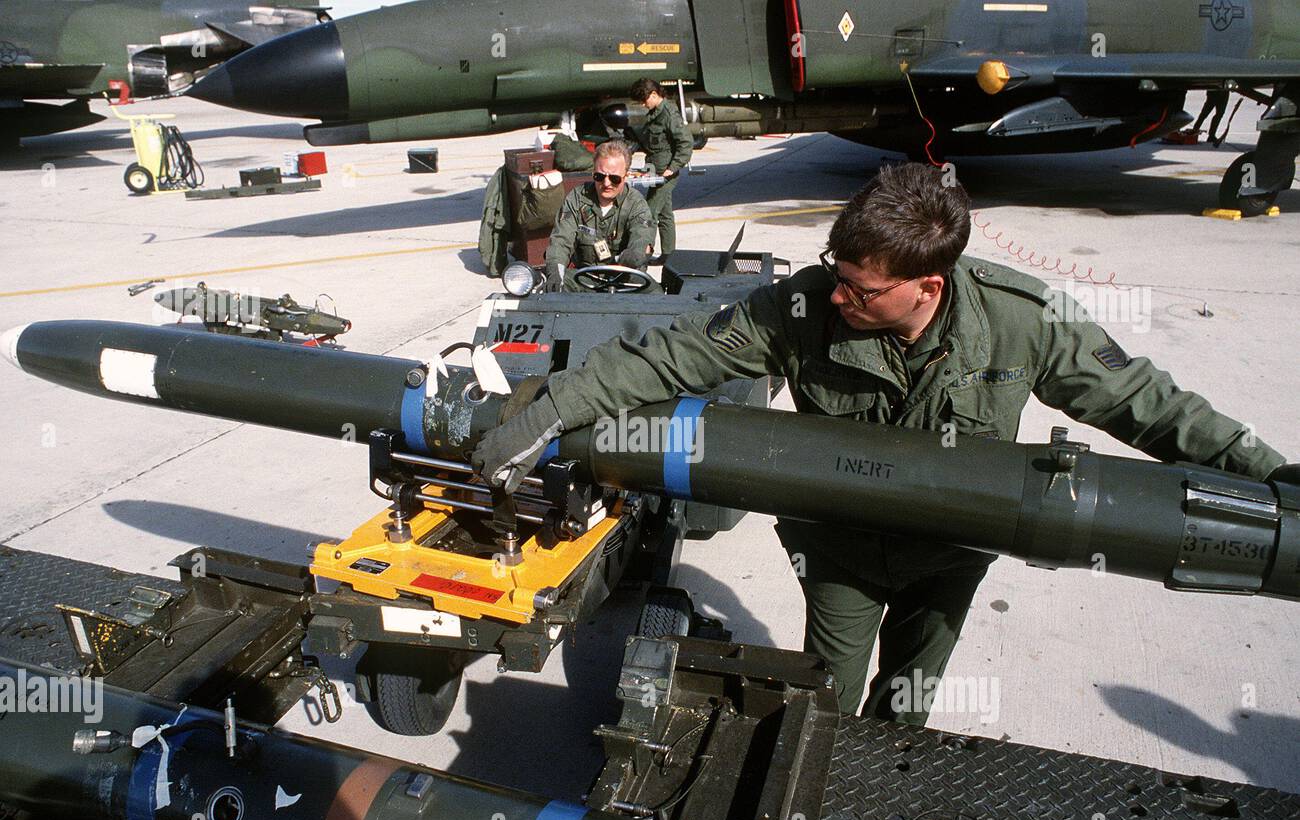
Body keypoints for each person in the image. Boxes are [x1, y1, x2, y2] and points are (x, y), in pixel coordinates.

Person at [475, 162, 1296, 724]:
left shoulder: (1020, 320)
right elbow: (674, 355)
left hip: (950, 555)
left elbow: (1153, 406)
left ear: (926, 285)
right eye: (836, 270)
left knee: (908, 706)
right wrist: (553, 407)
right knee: (826, 699)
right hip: (841, 553)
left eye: (860, 288)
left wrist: (1273, 479)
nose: (839, 294)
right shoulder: (803, 308)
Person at [543, 139, 656, 293]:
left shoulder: (636, 205)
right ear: (593, 173)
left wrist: (625, 259)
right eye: (599, 177)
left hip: (626, 280)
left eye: (614, 178)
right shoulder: (576, 198)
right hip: (586, 280)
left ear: (626, 175)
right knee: (550, 287)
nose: (607, 183)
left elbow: (642, 241)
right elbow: (561, 240)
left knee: (659, 298)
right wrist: (556, 273)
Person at [631, 78, 693, 264]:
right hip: (656, 172)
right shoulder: (655, 113)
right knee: (665, 214)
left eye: (644, 100)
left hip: (666, 173)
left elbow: (686, 143)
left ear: (654, 94)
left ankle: (643, 253)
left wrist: (672, 168)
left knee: (649, 212)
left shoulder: (669, 114)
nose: (643, 105)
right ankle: (669, 256)